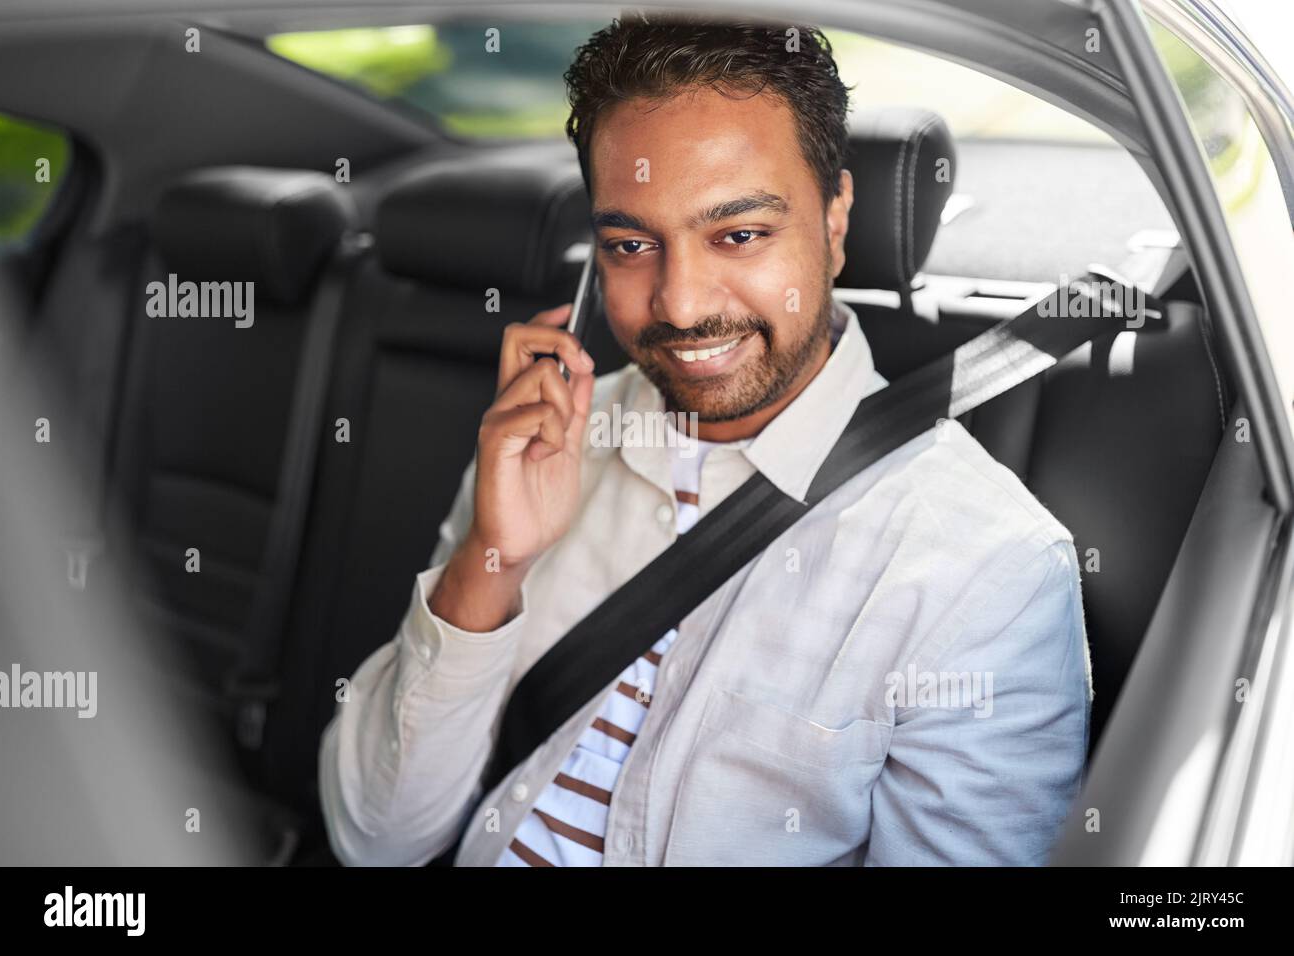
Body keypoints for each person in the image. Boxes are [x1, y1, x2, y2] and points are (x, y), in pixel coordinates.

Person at [320, 12, 1091, 866]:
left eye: (740, 234)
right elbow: (375, 840)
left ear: (836, 218)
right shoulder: (539, 444)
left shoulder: (987, 571)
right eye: (631, 244)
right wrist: (490, 560)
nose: (681, 305)